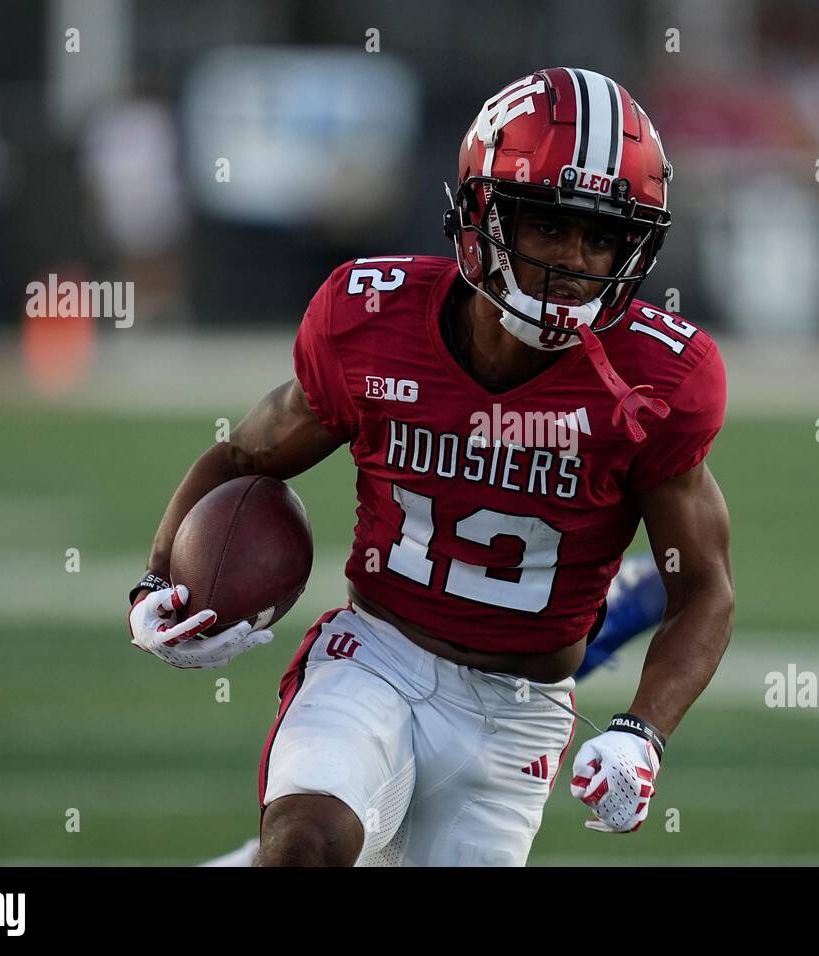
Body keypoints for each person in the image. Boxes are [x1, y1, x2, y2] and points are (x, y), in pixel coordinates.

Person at [128, 67, 734, 866]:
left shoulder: (656, 380)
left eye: (601, 237)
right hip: (377, 657)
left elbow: (702, 592)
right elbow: (245, 456)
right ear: (483, 216)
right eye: (549, 226)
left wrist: (642, 733)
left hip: (519, 714)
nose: (575, 262)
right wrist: (156, 584)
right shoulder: (374, 321)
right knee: (308, 845)